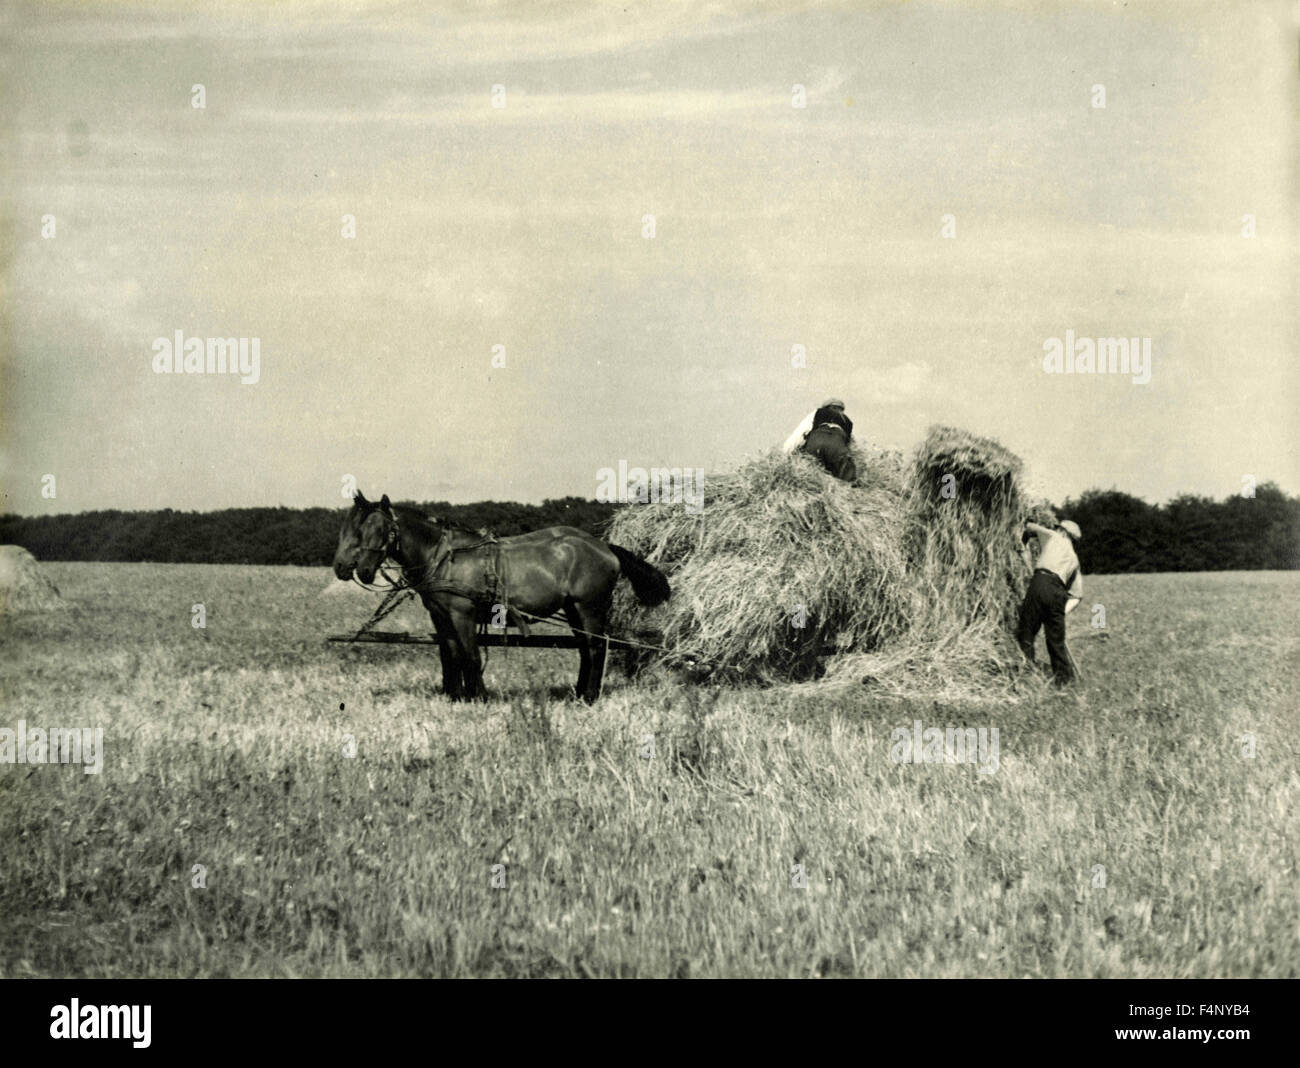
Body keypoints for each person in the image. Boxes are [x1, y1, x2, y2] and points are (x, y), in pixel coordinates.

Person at [1016, 518, 1084, 685]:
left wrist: (1022, 547)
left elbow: (1028, 527)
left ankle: (1027, 673)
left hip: (1041, 582)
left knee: (1027, 631)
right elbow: (1077, 596)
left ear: (1063, 531)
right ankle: (1065, 682)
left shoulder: (1053, 536)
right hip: (1059, 593)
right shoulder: (1075, 560)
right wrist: (1061, 612)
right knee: (1056, 641)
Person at [781, 398, 857, 483]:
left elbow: (799, 433)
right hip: (836, 445)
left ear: (826, 407)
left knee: (807, 475)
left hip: (816, 442)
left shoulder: (818, 412)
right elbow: (849, 445)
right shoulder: (847, 421)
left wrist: (785, 453)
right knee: (847, 478)